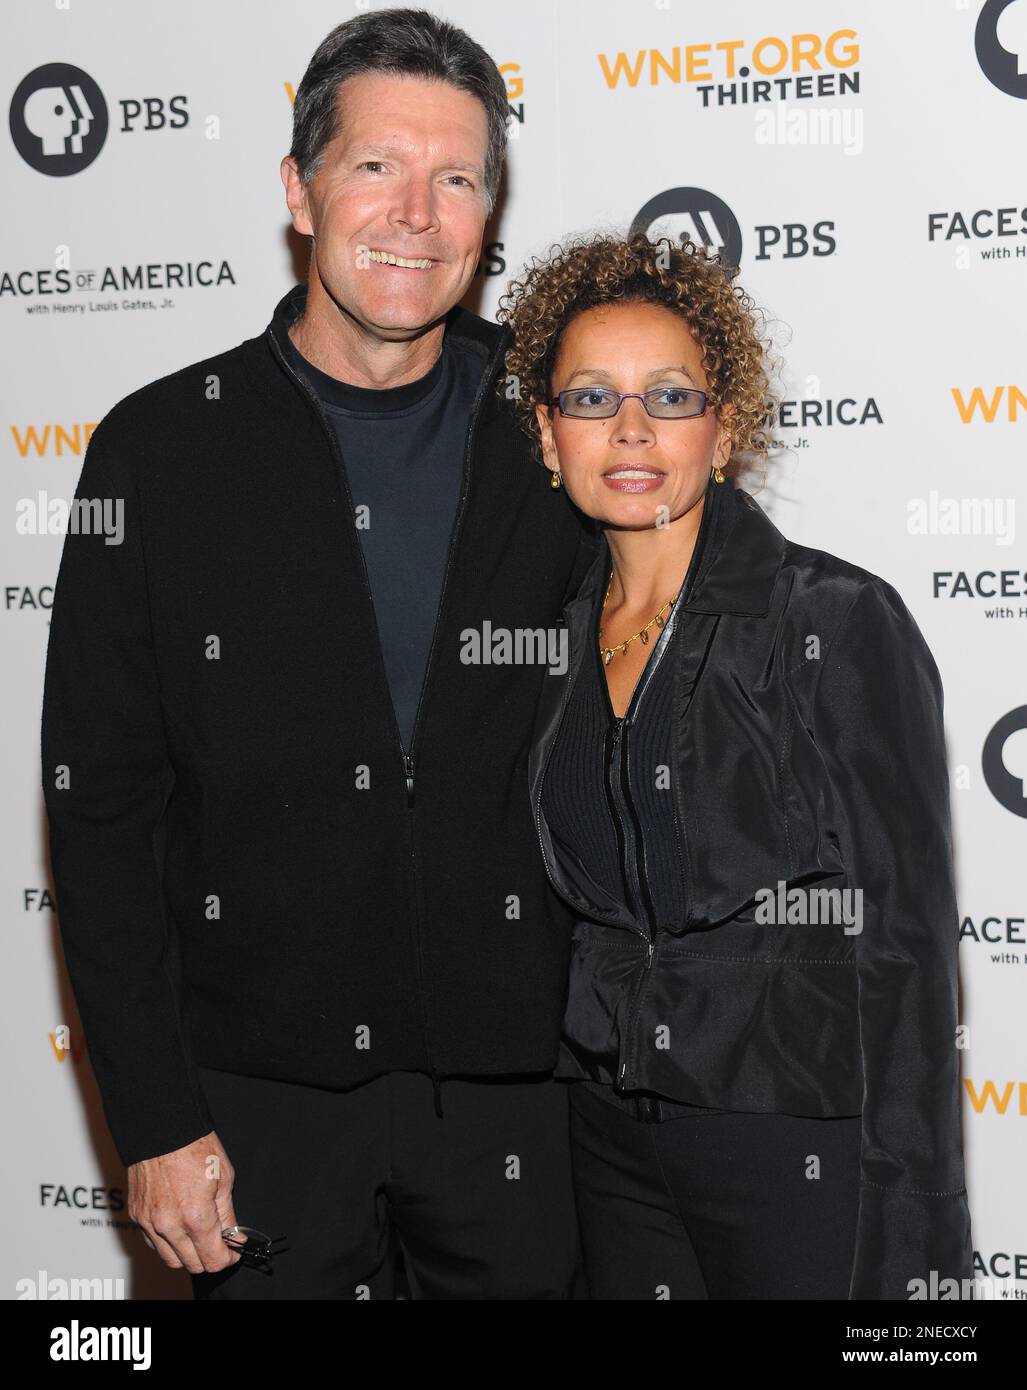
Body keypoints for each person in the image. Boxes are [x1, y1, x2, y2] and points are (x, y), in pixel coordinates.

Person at [40, 9, 596, 1300]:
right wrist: (157, 1120)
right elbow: (105, 813)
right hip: (251, 1105)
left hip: (525, 1094)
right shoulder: (161, 448)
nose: (415, 213)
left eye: (455, 178)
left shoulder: (562, 419)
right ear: (297, 190)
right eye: (374, 167)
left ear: (489, 209)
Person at [498, 232, 974, 1300]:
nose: (630, 428)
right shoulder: (554, 639)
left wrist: (918, 1246)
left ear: (723, 428)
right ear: (545, 434)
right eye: (588, 397)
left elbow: (903, 957)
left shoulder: (833, 618)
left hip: (797, 1143)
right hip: (610, 1140)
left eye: (669, 396)